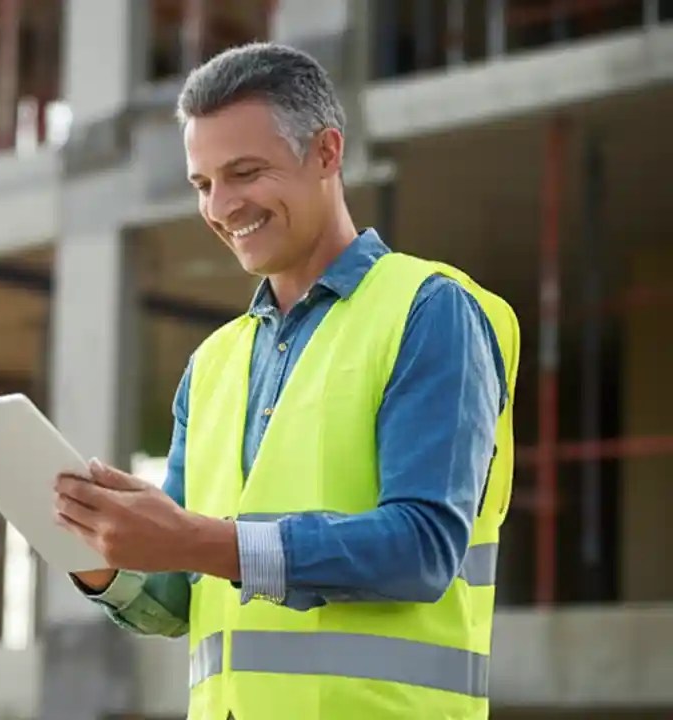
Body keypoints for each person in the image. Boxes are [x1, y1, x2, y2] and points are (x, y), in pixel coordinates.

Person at [51, 42, 519, 720]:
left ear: (327, 153)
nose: (221, 206)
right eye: (203, 184)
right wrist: (105, 554)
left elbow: (423, 547)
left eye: (244, 172)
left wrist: (194, 539)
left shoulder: (430, 311)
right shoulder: (213, 365)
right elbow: (180, 596)